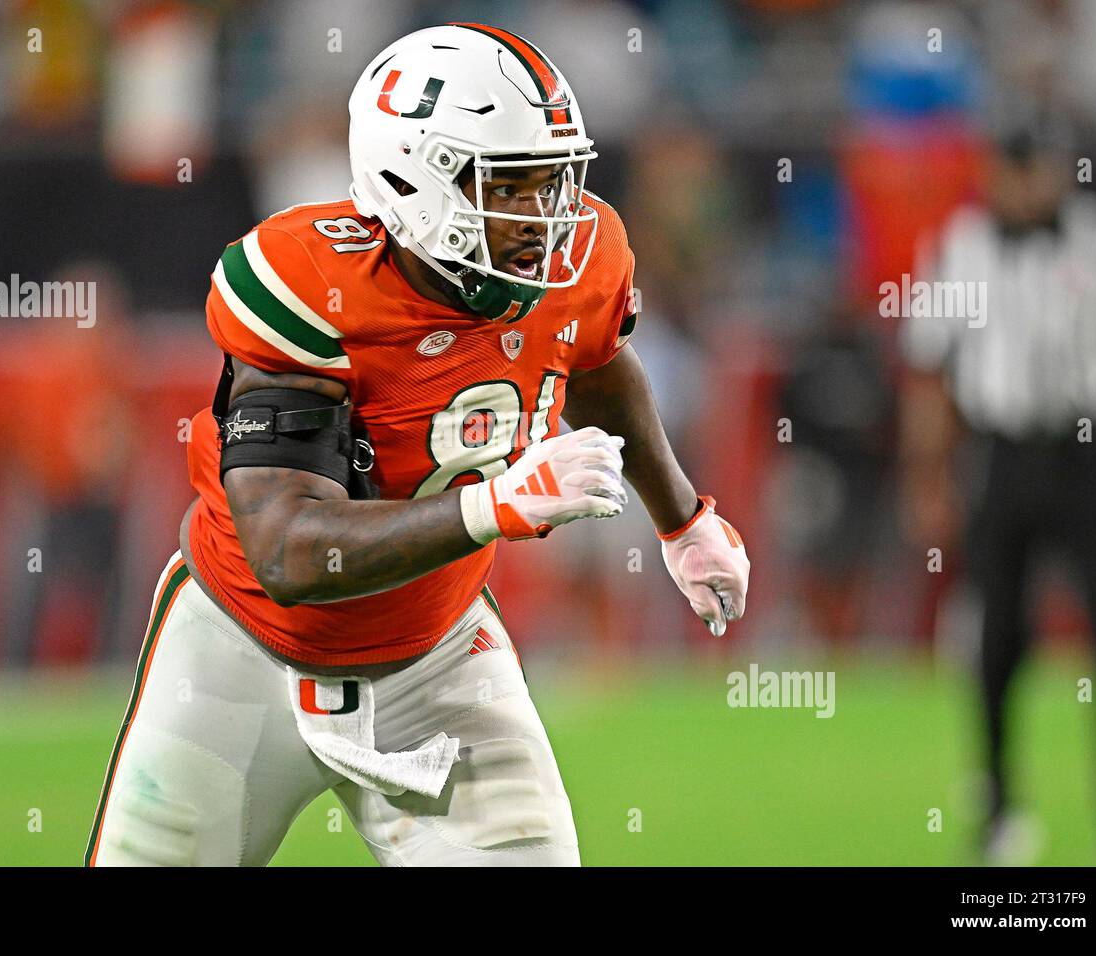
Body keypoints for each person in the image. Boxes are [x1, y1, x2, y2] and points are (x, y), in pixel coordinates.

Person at [86, 23, 750, 867]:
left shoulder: (580, 258)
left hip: (436, 660)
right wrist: (489, 508)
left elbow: (597, 362)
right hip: (239, 656)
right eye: (513, 187)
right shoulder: (312, 287)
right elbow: (289, 552)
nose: (547, 218)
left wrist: (683, 522)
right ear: (415, 180)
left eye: (555, 181)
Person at [901, 113, 1096, 863]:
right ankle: (1000, 810)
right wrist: (928, 477)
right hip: (1000, 455)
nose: (1033, 184)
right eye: (1019, 168)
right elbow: (930, 373)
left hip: (1083, 452)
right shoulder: (960, 247)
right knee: (996, 639)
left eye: (1044, 167)